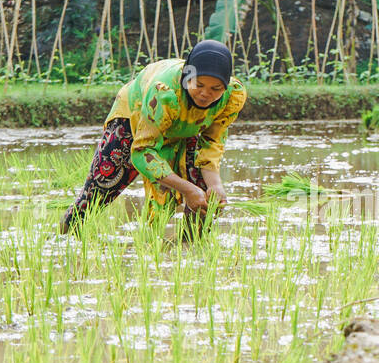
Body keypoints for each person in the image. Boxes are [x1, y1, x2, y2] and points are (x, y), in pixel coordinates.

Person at [59, 40, 246, 235]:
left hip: (186, 126)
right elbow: (142, 152)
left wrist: (215, 184)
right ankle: (63, 238)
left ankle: (190, 247)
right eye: (198, 84)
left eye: (216, 88)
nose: (206, 94)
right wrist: (186, 189)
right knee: (99, 191)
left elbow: (212, 142)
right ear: (187, 76)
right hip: (137, 116)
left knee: (204, 193)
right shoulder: (164, 91)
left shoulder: (232, 96)